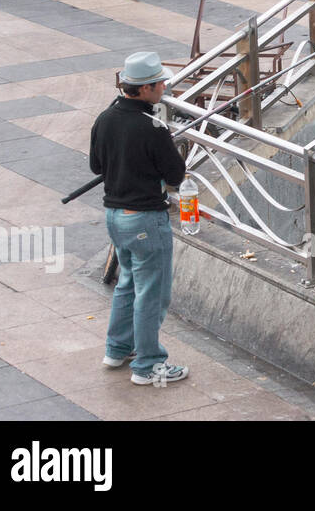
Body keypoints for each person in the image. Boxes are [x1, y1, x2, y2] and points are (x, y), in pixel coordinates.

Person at [91, 51, 190, 388]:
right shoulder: (153, 127)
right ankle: (148, 366)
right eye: (160, 82)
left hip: (115, 217)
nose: (164, 86)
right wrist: (165, 146)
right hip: (146, 220)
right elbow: (176, 174)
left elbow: (95, 166)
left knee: (128, 283)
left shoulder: (105, 118)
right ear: (145, 89)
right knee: (152, 293)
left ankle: (117, 349)